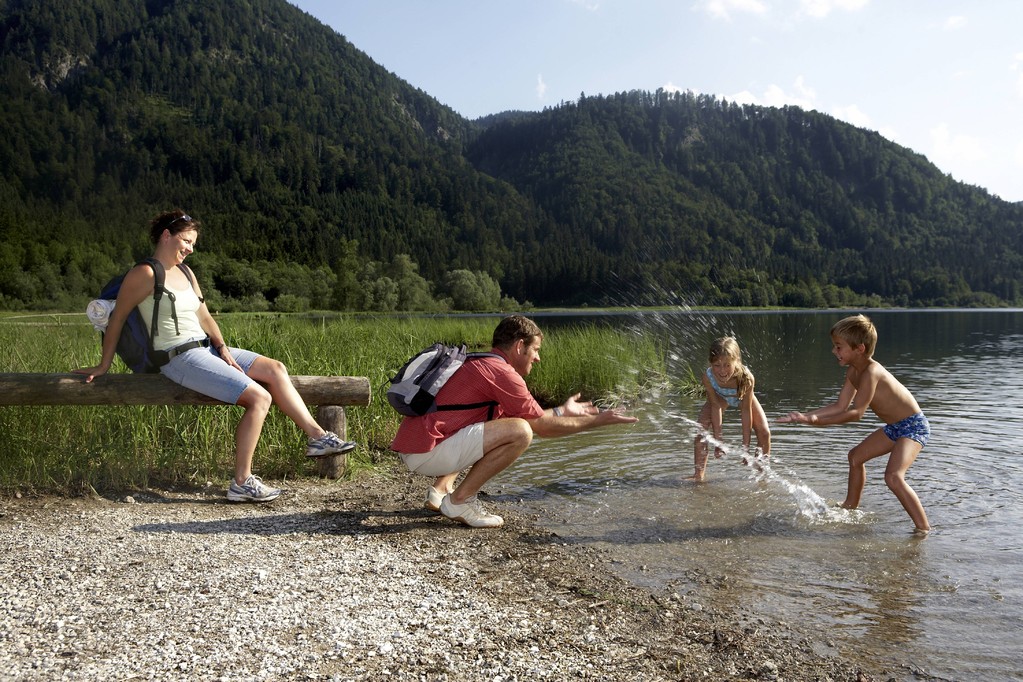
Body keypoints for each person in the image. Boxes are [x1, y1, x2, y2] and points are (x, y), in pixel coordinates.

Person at [74, 210, 355, 503]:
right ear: (166, 235)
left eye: (193, 243)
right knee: (260, 398)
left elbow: (204, 316)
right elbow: (117, 319)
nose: (190, 249)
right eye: (186, 240)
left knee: (275, 368)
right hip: (178, 357)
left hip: (206, 348)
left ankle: (318, 438)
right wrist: (104, 364)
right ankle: (241, 483)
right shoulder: (145, 273)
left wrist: (221, 347)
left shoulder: (185, 272)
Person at [390, 315, 639, 528]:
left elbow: (534, 417)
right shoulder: (502, 374)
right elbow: (538, 427)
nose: (538, 358)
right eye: (536, 350)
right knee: (520, 432)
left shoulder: (481, 362)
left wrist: (563, 411)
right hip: (426, 453)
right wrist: (599, 421)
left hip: (418, 447)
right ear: (520, 346)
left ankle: (440, 491)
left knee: (504, 425)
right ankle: (460, 502)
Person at [778, 314, 931, 533]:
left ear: (859, 348)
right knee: (855, 457)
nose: (834, 351)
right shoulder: (854, 371)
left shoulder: (871, 372)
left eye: (838, 347)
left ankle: (924, 529)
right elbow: (840, 406)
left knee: (893, 476)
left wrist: (817, 422)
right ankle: (851, 506)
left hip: (914, 426)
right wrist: (805, 416)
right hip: (896, 428)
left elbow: (857, 413)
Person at [687, 336, 770, 481]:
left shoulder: (746, 378)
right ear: (711, 363)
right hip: (719, 398)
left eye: (727, 365)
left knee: (764, 433)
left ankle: (761, 474)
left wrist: (745, 448)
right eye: (717, 365)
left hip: (742, 396)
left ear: (736, 361)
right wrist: (718, 442)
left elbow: (745, 411)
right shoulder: (708, 377)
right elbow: (715, 406)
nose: (722, 371)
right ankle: (698, 475)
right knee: (701, 428)